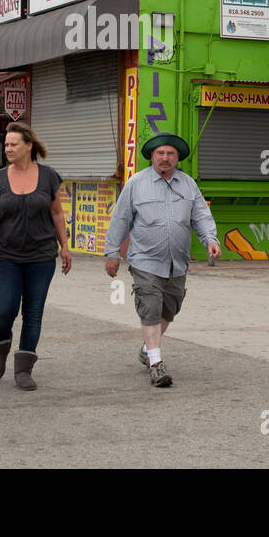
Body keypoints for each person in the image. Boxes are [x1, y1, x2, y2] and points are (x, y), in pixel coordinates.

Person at [104, 133, 221, 388]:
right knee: (150, 307)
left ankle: (147, 349)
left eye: (170, 154)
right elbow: (120, 219)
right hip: (145, 260)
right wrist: (111, 253)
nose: (165, 158)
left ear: (177, 158)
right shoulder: (136, 184)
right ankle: (156, 364)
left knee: (170, 309)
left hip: (177, 263)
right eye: (160, 153)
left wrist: (210, 240)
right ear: (152, 157)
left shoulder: (188, 185)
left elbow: (200, 216)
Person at [0, 122, 71, 391]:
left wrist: (64, 246)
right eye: (6, 144)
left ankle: (24, 367)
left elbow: (56, 213)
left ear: (28, 146)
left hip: (42, 255)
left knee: (33, 311)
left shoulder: (48, 176)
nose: (8, 148)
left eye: (13, 144)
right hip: (7, 254)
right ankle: (0, 346)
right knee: (5, 308)